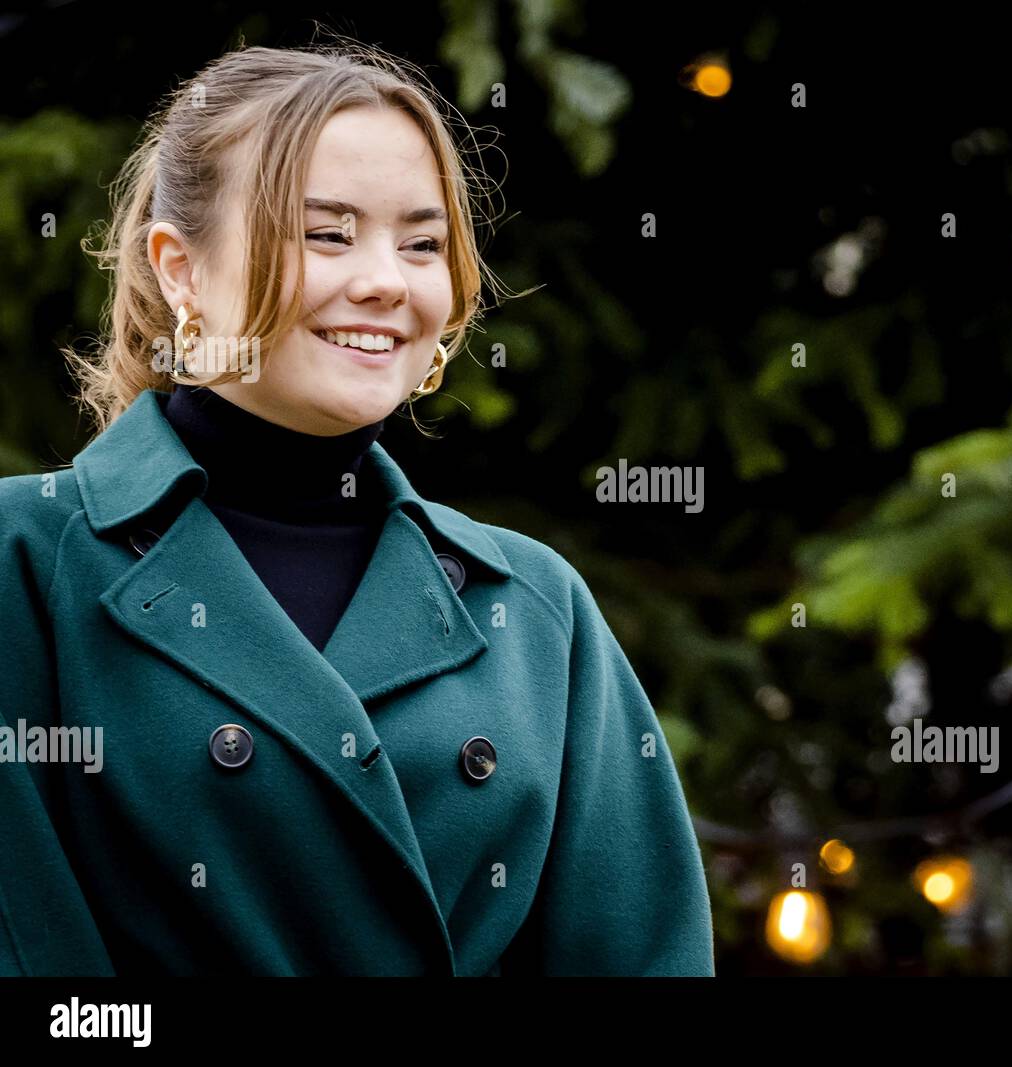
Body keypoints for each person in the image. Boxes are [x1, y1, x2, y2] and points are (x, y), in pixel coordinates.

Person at [0, 40, 714, 977]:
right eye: (327, 233)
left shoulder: (536, 605)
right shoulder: (25, 560)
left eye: (422, 244)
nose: (387, 280)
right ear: (180, 269)